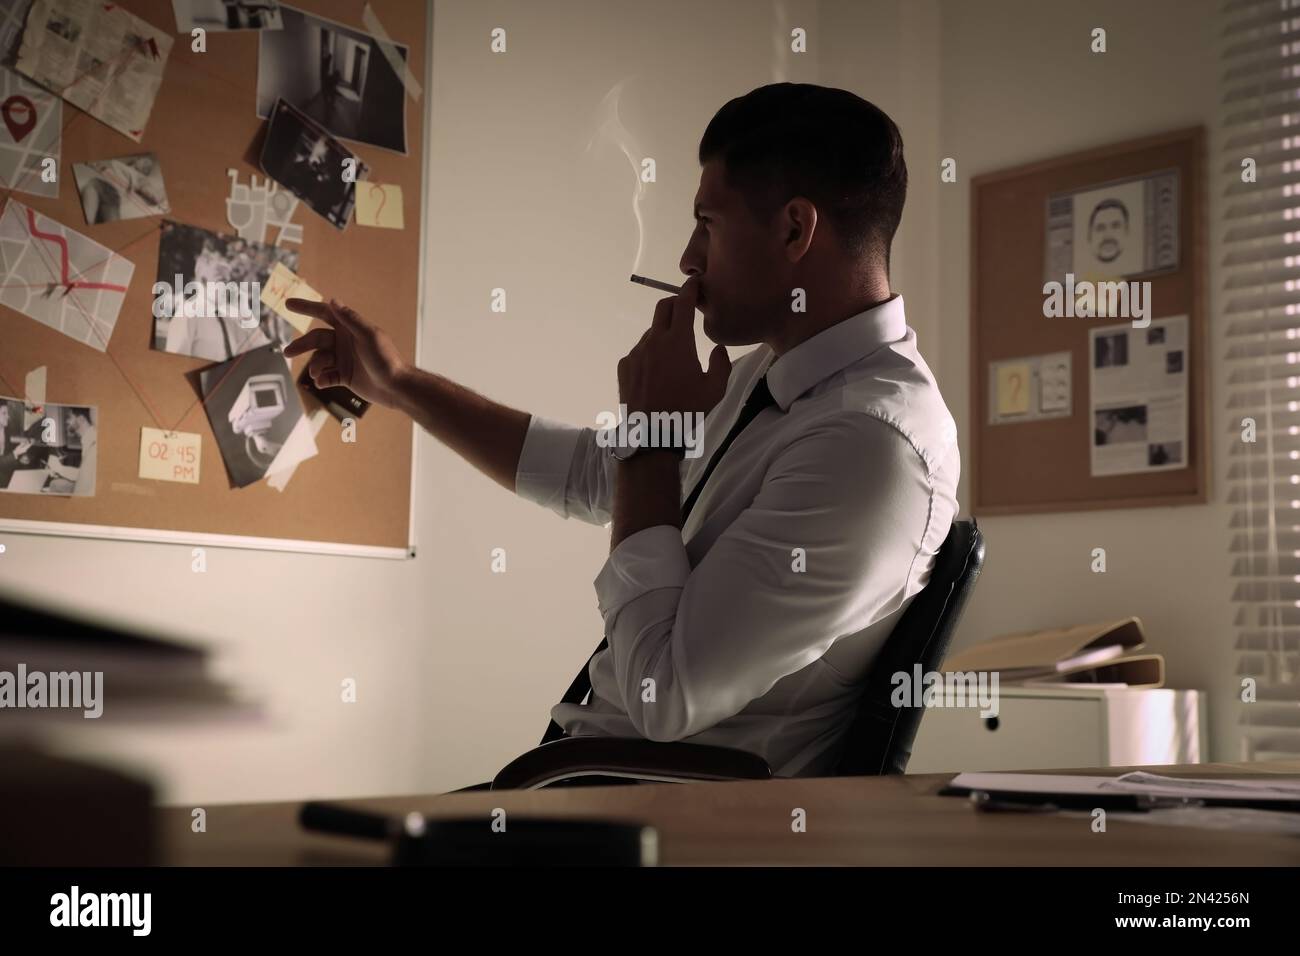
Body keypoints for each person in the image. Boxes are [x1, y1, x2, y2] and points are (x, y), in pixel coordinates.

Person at [285, 83, 960, 782]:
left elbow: (661, 695)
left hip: (660, 819)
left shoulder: (871, 448)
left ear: (795, 230)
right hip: (589, 790)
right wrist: (400, 385)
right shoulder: (774, 378)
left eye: (708, 222)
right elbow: (589, 476)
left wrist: (650, 439)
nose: (687, 259)